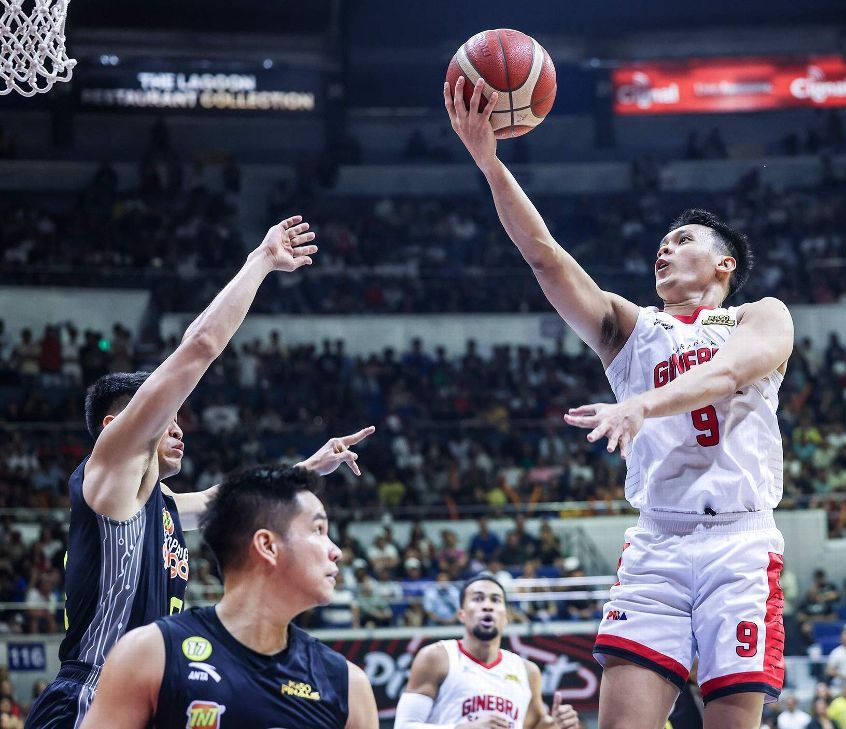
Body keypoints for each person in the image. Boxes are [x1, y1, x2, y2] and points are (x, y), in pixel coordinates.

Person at [445, 75, 793, 729]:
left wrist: (641, 405)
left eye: (685, 239)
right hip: (657, 541)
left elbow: (726, 377)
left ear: (723, 266)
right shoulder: (632, 330)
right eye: (662, 241)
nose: (665, 246)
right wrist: (489, 161)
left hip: (740, 541)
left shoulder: (761, 316)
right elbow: (545, 258)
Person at [26, 216, 374, 729]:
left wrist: (306, 468)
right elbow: (200, 348)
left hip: (155, 694)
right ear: (116, 425)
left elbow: (233, 499)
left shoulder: (162, 507)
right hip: (92, 691)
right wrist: (262, 260)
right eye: (167, 419)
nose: (180, 428)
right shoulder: (109, 472)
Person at [80, 466, 378, 727]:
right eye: (319, 529)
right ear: (267, 545)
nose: (335, 550)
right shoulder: (149, 654)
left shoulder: (348, 684)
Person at [394, 574, 581, 729]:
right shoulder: (437, 657)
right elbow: (403, 726)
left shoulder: (527, 670)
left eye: (495, 600)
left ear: (506, 616)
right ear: (462, 614)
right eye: (478, 598)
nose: (487, 605)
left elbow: (535, 725)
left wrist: (557, 725)